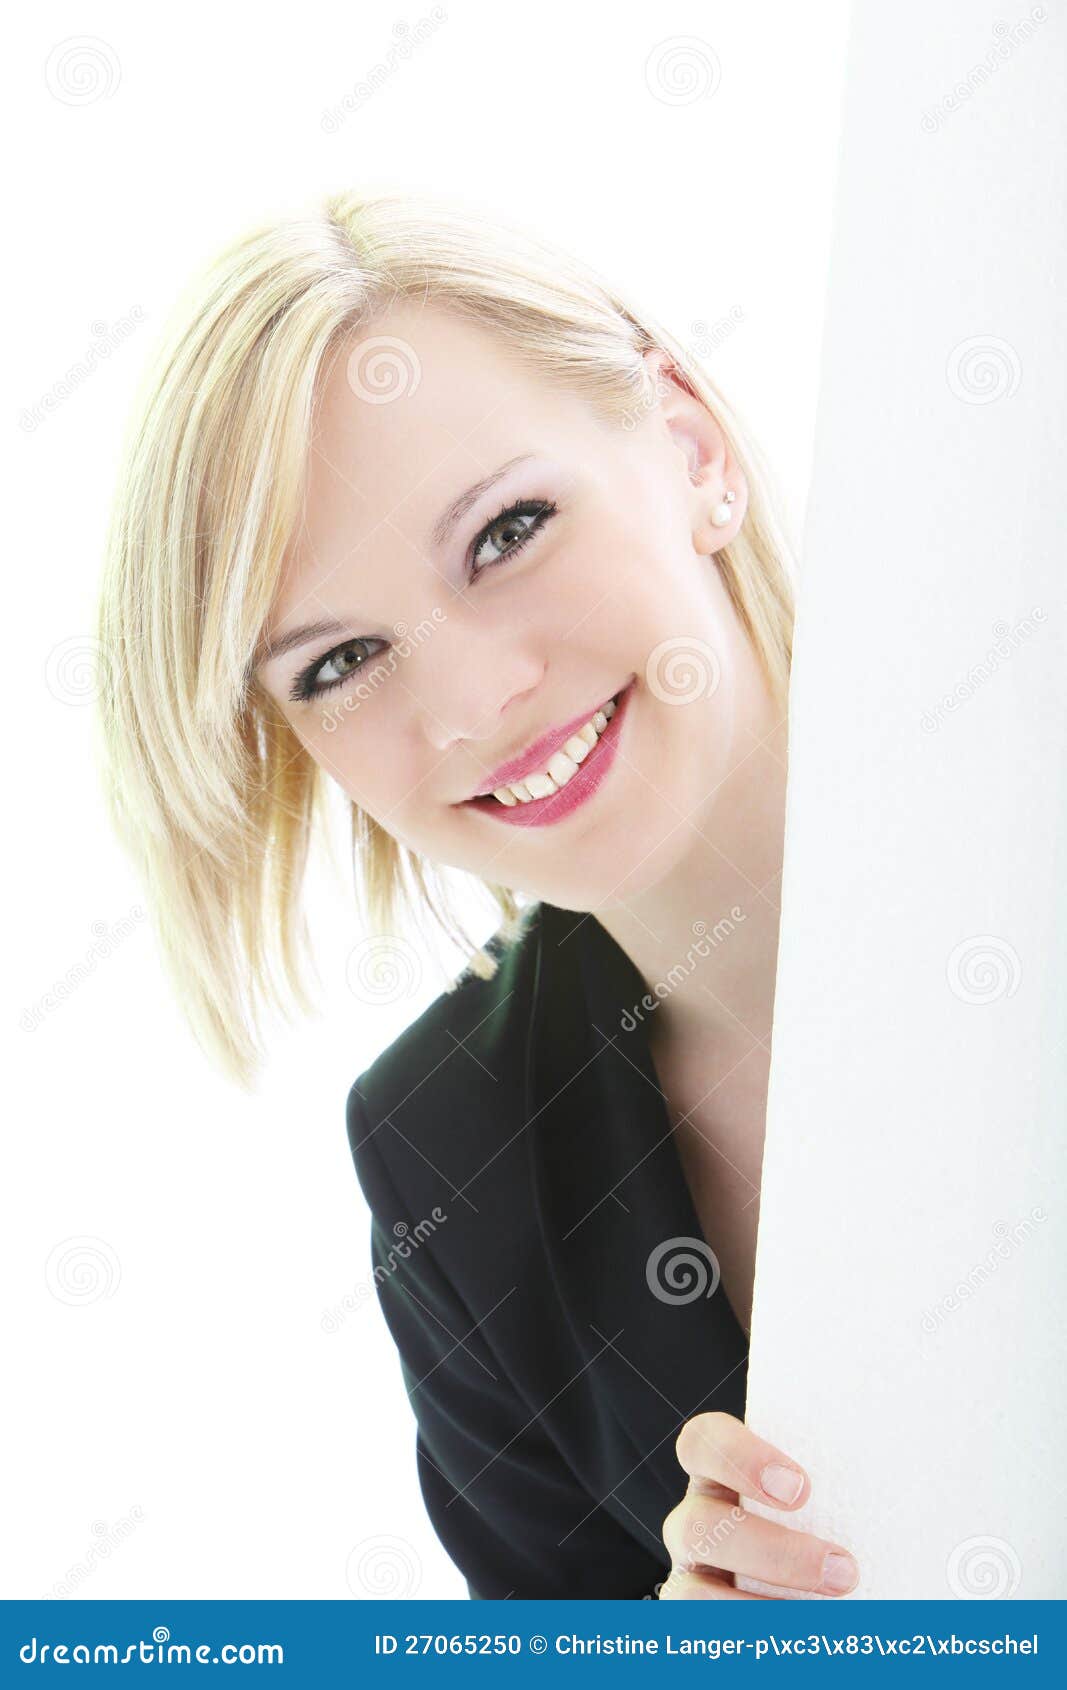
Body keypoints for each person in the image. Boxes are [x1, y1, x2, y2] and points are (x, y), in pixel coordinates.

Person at [96, 186, 860, 1601]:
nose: (472, 703)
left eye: (508, 530)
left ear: (689, 446)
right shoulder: (450, 1156)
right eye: (339, 662)